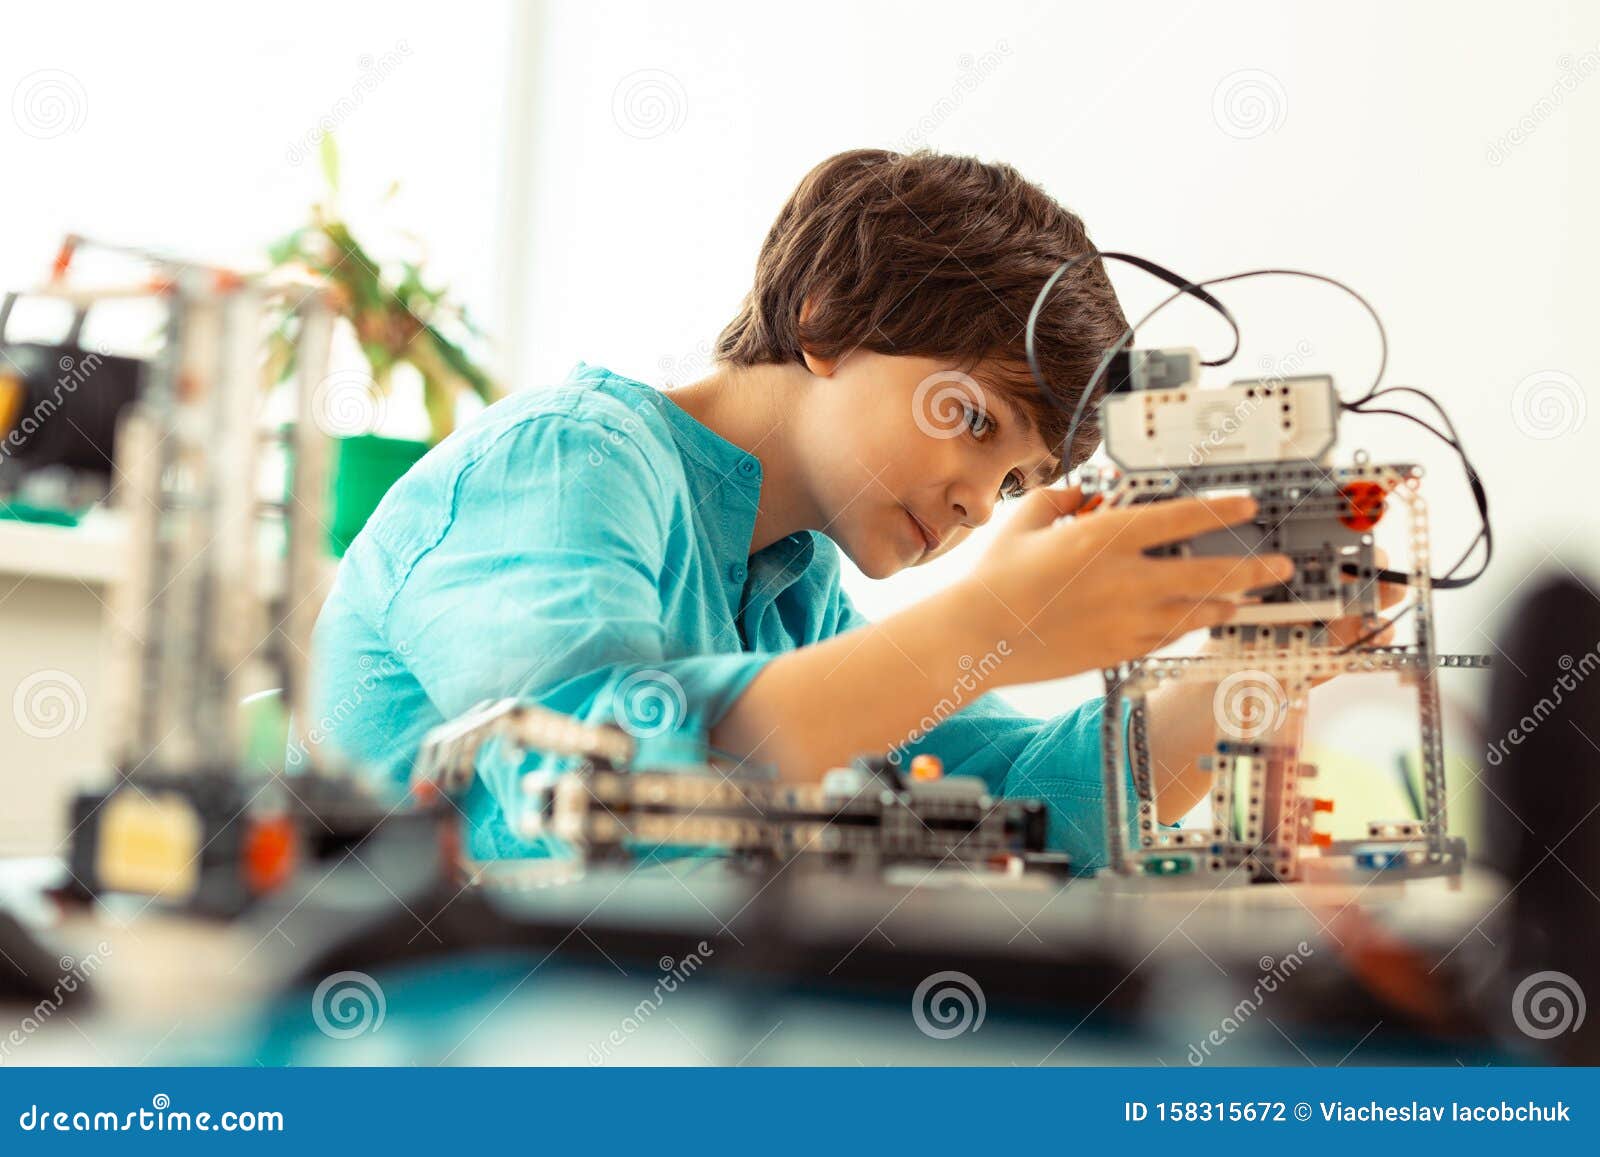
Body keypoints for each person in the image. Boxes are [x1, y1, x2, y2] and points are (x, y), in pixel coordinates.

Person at [307, 148, 1388, 869]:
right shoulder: (566, 462)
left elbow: (1006, 793)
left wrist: (1242, 677)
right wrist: (989, 626)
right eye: (971, 421)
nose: (981, 500)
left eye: (1017, 482)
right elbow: (597, 785)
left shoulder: (789, 585)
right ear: (825, 319)